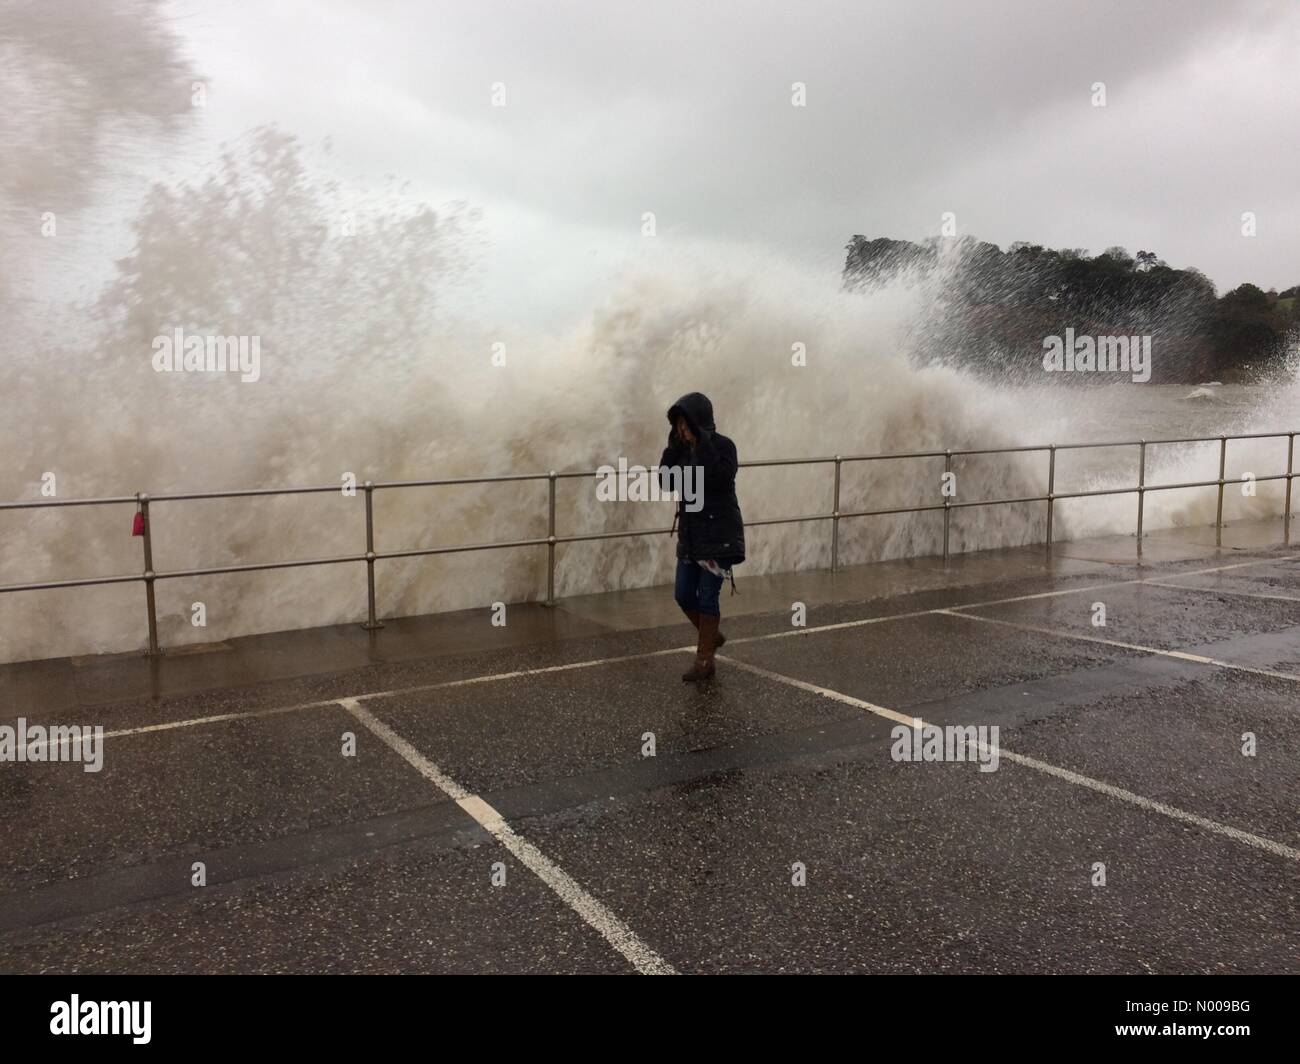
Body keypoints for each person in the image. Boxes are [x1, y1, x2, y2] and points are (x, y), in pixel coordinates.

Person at [659, 392, 745, 682]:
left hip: (719, 535)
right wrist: (671, 450)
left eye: (686, 424)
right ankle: (711, 635)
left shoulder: (723, 447)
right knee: (683, 594)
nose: (682, 430)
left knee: (708, 596)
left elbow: (721, 478)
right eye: (678, 425)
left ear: (700, 422)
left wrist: (704, 445)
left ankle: (704, 662)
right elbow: (666, 483)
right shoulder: (681, 451)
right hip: (692, 536)